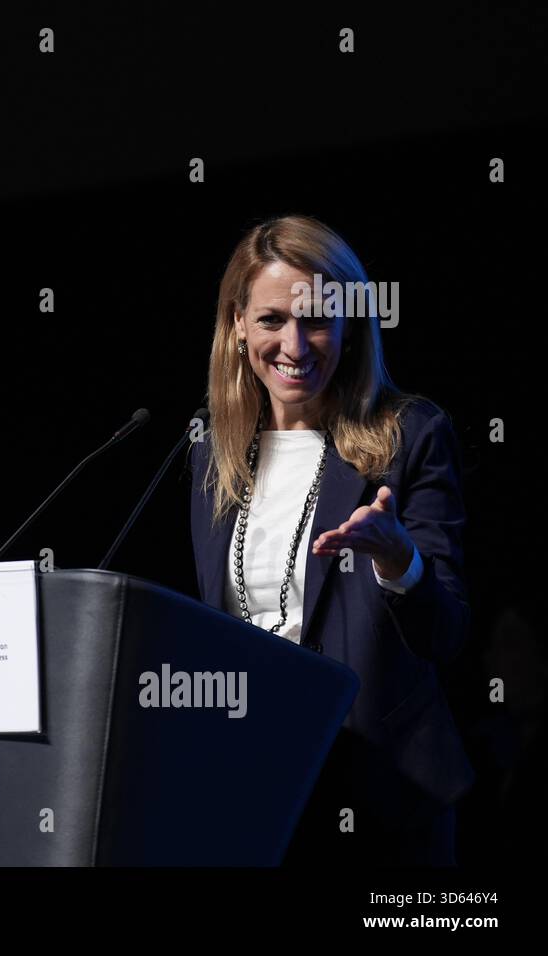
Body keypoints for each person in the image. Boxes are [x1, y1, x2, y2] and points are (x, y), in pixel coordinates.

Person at [188, 215, 474, 865]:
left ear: (349, 325)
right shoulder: (214, 456)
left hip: (383, 800)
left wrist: (399, 559)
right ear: (236, 324)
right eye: (270, 321)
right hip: (256, 793)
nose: (295, 344)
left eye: (316, 318)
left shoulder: (409, 436)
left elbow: (447, 632)